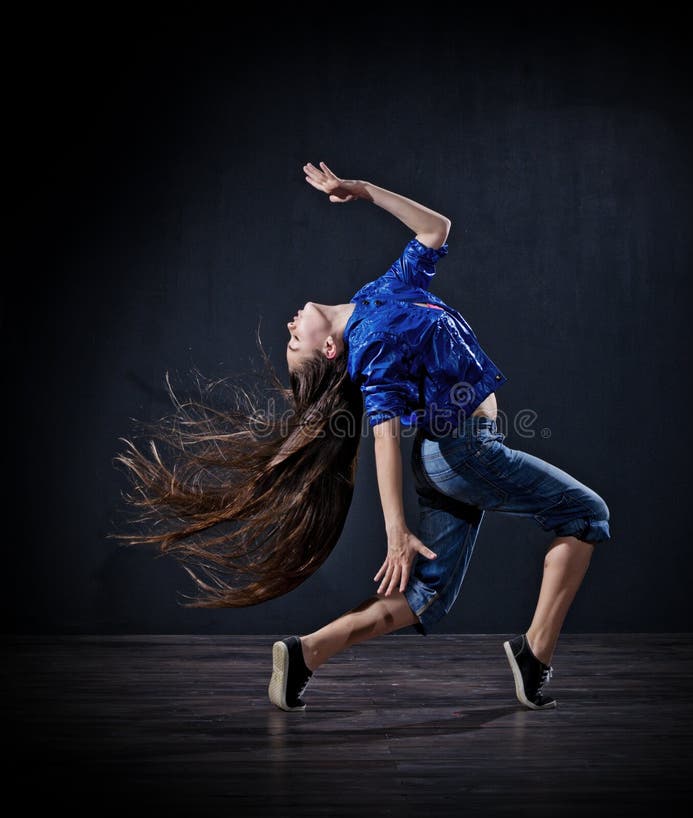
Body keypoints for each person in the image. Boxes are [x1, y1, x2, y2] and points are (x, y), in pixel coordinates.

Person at [115, 162, 610, 715]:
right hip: (466, 451)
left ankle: (306, 653)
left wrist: (367, 191)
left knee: (427, 597)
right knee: (586, 514)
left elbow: (436, 229)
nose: (289, 328)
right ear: (329, 350)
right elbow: (383, 438)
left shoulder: (379, 293)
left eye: (289, 339)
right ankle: (535, 653)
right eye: (294, 343)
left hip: (447, 456)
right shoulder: (372, 349)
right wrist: (396, 531)